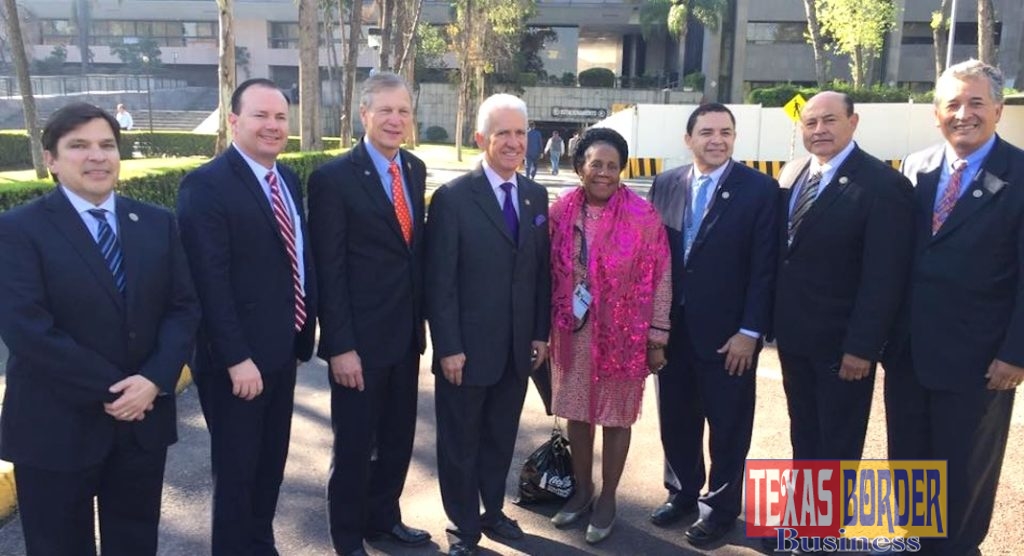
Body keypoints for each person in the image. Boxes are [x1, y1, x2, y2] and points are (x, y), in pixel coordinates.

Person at [0, 102, 199, 555]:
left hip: (141, 423)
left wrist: (153, 380)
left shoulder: (155, 223)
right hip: (55, 427)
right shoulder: (16, 230)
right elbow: (27, 329)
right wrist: (117, 391)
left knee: (134, 543)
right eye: (79, 146)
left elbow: (183, 308)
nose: (97, 156)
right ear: (51, 159)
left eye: (107, 145)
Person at [882, 59, 1024, 556]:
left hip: (980, 360)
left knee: (963, 470)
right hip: (908, 354)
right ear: (935, 113)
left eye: (975, 103)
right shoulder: (915, 168)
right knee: (911, 464)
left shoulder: (1020, 174)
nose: (963, 113)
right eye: (952, 104)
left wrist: (1016, 353)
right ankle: (918, 545)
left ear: (998, 110)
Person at [176, 78, 318, 555]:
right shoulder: (206, 186)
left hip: (280, 353)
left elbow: (293, 258)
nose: (273, 126)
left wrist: (300, 337)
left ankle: (260, 546)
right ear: (234, 121)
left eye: (280, 117)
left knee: (268, 469)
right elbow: (208, 284)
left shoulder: (286, 179)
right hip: (238, 365)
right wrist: (237, 358)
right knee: (237, 478)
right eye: (260, 115)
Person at [307, 72, 431, 556]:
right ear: (364, 115)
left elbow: (409, 255)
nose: (395, 120)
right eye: (385, 110)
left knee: (398, 441)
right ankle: (346, 537)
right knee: (355, 446)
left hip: (404, 338)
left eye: (403, 110)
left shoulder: (415, 170)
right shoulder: (332, 179)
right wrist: (340, 345)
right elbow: (329, 270)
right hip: (357, 344)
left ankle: (383, 519)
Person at [647, 103, 778, 546]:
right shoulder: (665, 185)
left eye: (725, 131)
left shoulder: (760, 190)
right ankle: (681, 492)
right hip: (671, 333)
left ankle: (720, 508)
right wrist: (652, 328)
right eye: (706, 132)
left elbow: (765, 268)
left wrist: (750, 331)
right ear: (689, 139)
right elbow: (652, 261)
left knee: (728, 426)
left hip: (729, 339)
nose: (716, 139)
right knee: (676, 418)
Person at [425, 93, 551, 556]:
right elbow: (439, 282)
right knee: (459, 442)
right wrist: (448, 347)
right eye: (503, 134)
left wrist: (540, 333)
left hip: (517, 349)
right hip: (467, 352)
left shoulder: (535, 195)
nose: (514, 142)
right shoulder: (453, 199)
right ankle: (463, 527)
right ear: (481, 139)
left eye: (521, 133)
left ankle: (492, 512)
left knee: (500, 438)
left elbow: (541, 274)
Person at [773, 92, 914, 465]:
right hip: (794, 338)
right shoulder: (793, 173)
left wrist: (863, 348)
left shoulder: (883, 185)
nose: (819, 130)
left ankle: (827, 521)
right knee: (803, 431)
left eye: (829, 120)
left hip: (843, 347)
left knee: (837, 440)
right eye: (811, 122)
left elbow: (885, 277)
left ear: (853, 122)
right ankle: (807, 514)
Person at [547, 127, 671, 545]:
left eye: (612, 166)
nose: (603, 172)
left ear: (622, 170)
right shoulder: (560, 211)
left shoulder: (644, 216)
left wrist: (657, 334)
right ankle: (582, 492)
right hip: (573, 333)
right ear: (579, 167)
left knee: (616, 417)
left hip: (625, 333)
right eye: (595, 164)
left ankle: (608, 498)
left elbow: (661, 275)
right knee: (578, 415)